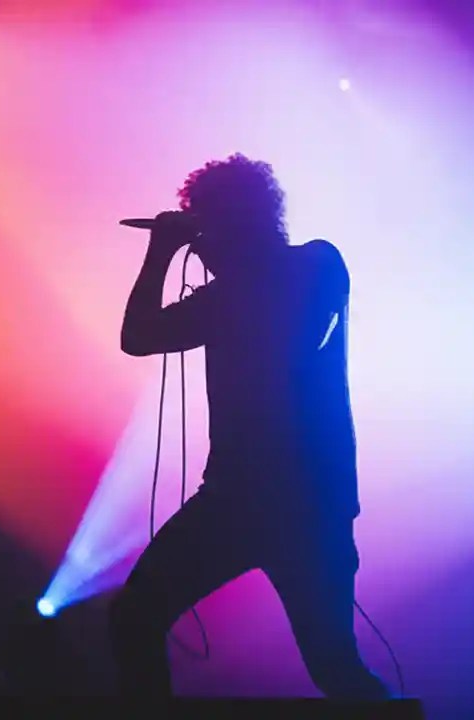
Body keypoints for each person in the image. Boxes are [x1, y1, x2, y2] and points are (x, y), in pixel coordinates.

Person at [109, 154, 388, 700]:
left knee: (335, 665)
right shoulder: (231, 293)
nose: (202, 237)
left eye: (207, 219)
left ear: (242, 218)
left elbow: (279, 322)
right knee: (135, 617)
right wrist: (166, 250)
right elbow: (138, 337)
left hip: (303, 501)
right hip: (242, 499)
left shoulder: (314, 263)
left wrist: (175, 249)